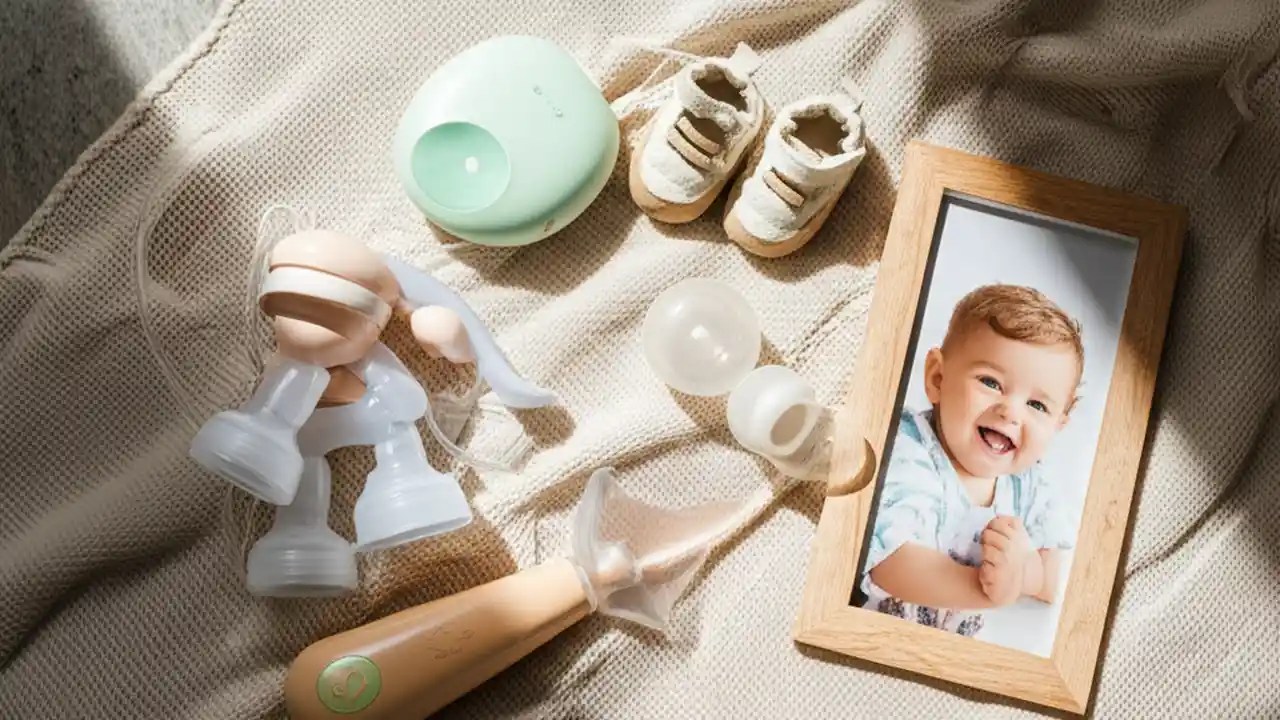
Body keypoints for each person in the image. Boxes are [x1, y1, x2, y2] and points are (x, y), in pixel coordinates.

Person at [861, 284, 1082, 637]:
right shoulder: (909, 448)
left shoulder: (1029, 484)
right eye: (991, 382)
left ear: (1057, 427)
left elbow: (1053, 579)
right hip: (873, 638)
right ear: (938, 378)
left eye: (1037, 406)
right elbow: (889, 563)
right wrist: (988, 590)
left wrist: (1023, 570)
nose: (1010, 411)